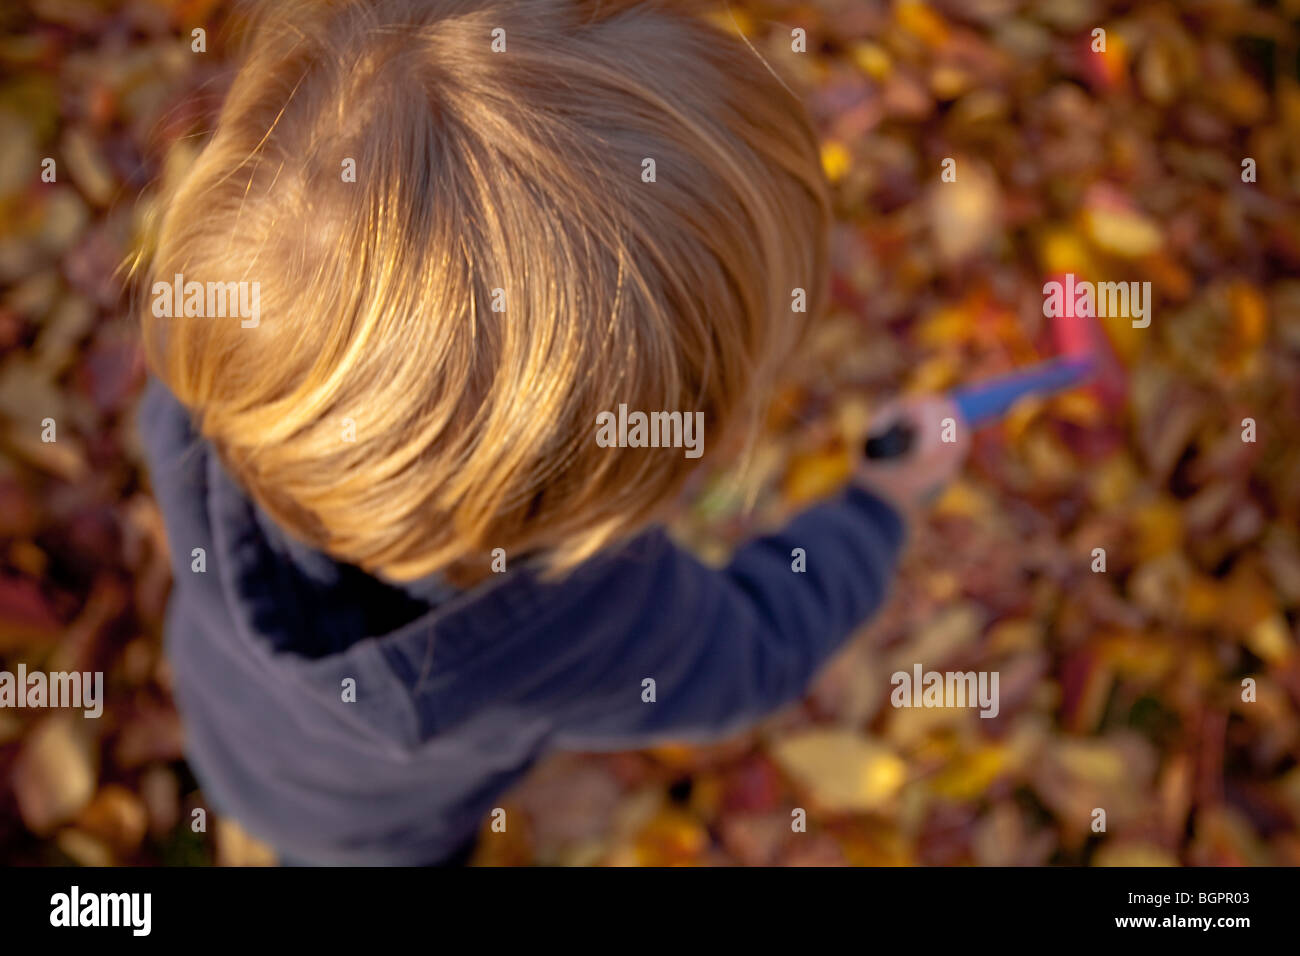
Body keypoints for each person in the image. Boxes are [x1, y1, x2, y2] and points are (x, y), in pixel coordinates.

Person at [137, 0, 968, 865]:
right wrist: (877, 507)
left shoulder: (211, 383)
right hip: (384, 841)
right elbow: (755, 651)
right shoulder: (584, 621)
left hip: (224, 716)